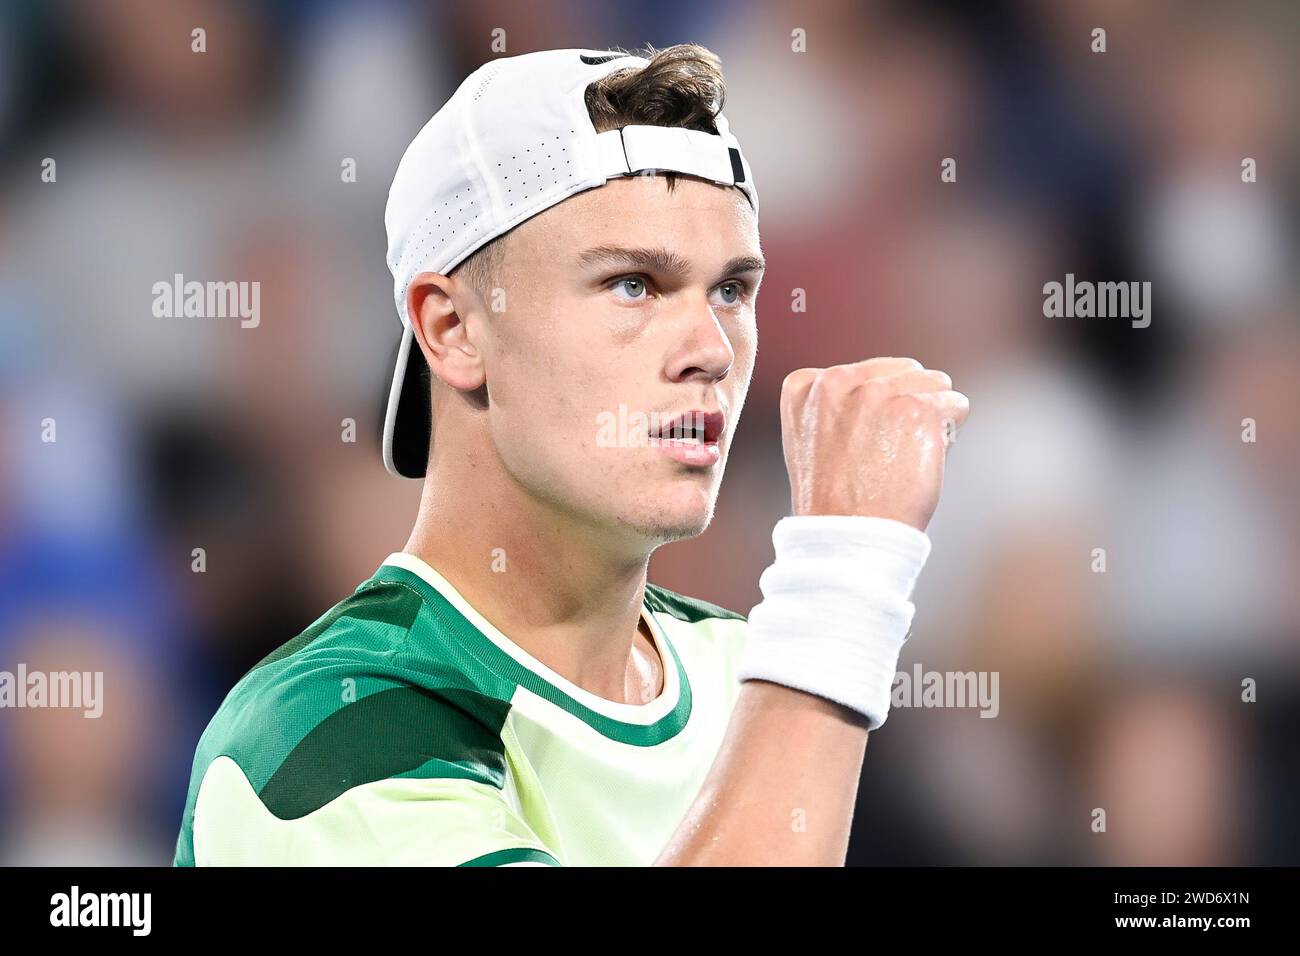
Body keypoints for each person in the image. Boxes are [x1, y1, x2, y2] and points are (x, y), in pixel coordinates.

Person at [173, 44, 968, 866]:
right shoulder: (324, 733)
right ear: (453, 330)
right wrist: (842, 572)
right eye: (633, 283)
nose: (711, 349)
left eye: (731, 290)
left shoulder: (753, 676)